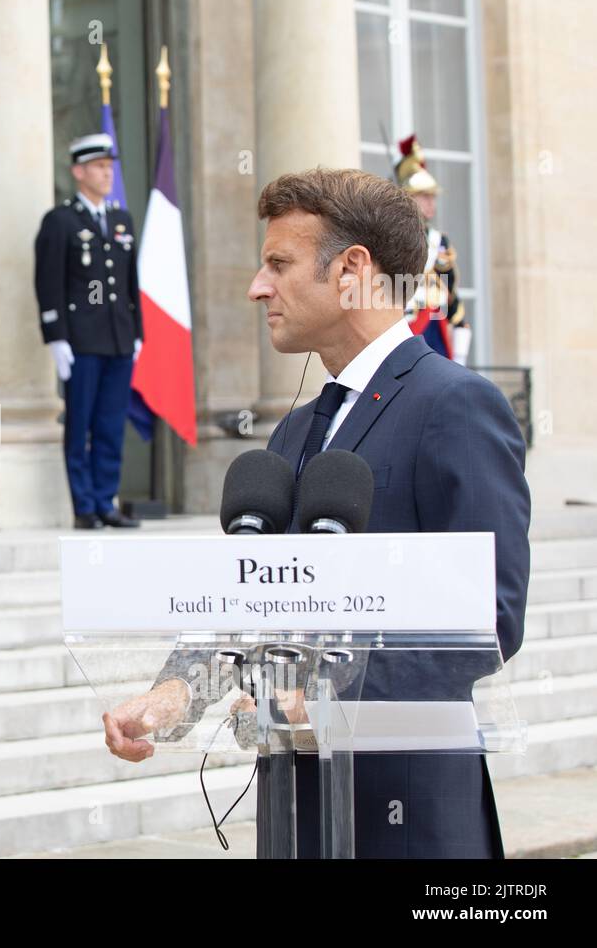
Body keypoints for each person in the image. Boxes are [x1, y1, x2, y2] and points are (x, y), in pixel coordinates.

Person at [104, 168, 530, 859]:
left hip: (412, 820)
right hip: (297, 814)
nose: (257, 286)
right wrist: (177, 692)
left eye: (279, 263)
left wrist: (330, 699)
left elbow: (488, 618)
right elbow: (259, 600)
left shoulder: (454, 406)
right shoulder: (295, 433)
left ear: (352, 271)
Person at [35, 133, 142, 529]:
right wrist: (55, 336)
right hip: (80, 340)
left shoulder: (120, 220)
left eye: (109, 167)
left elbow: (130, 281)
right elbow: (49, 282)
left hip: (117, 337)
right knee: (80, 424)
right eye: (99, 167)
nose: (106, 173)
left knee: (111, 425)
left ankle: (105, 501)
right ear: (78, 172)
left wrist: (137, 332)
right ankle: (83, 506)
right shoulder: (60, 221)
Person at [395, 135, 468, 365]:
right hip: (400, 324)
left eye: (432, 197)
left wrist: (459, 328)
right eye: (424, 196)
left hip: (432, 325)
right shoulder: (392, 236)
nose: (431, 203)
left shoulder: (438, 241)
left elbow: (450, 288)